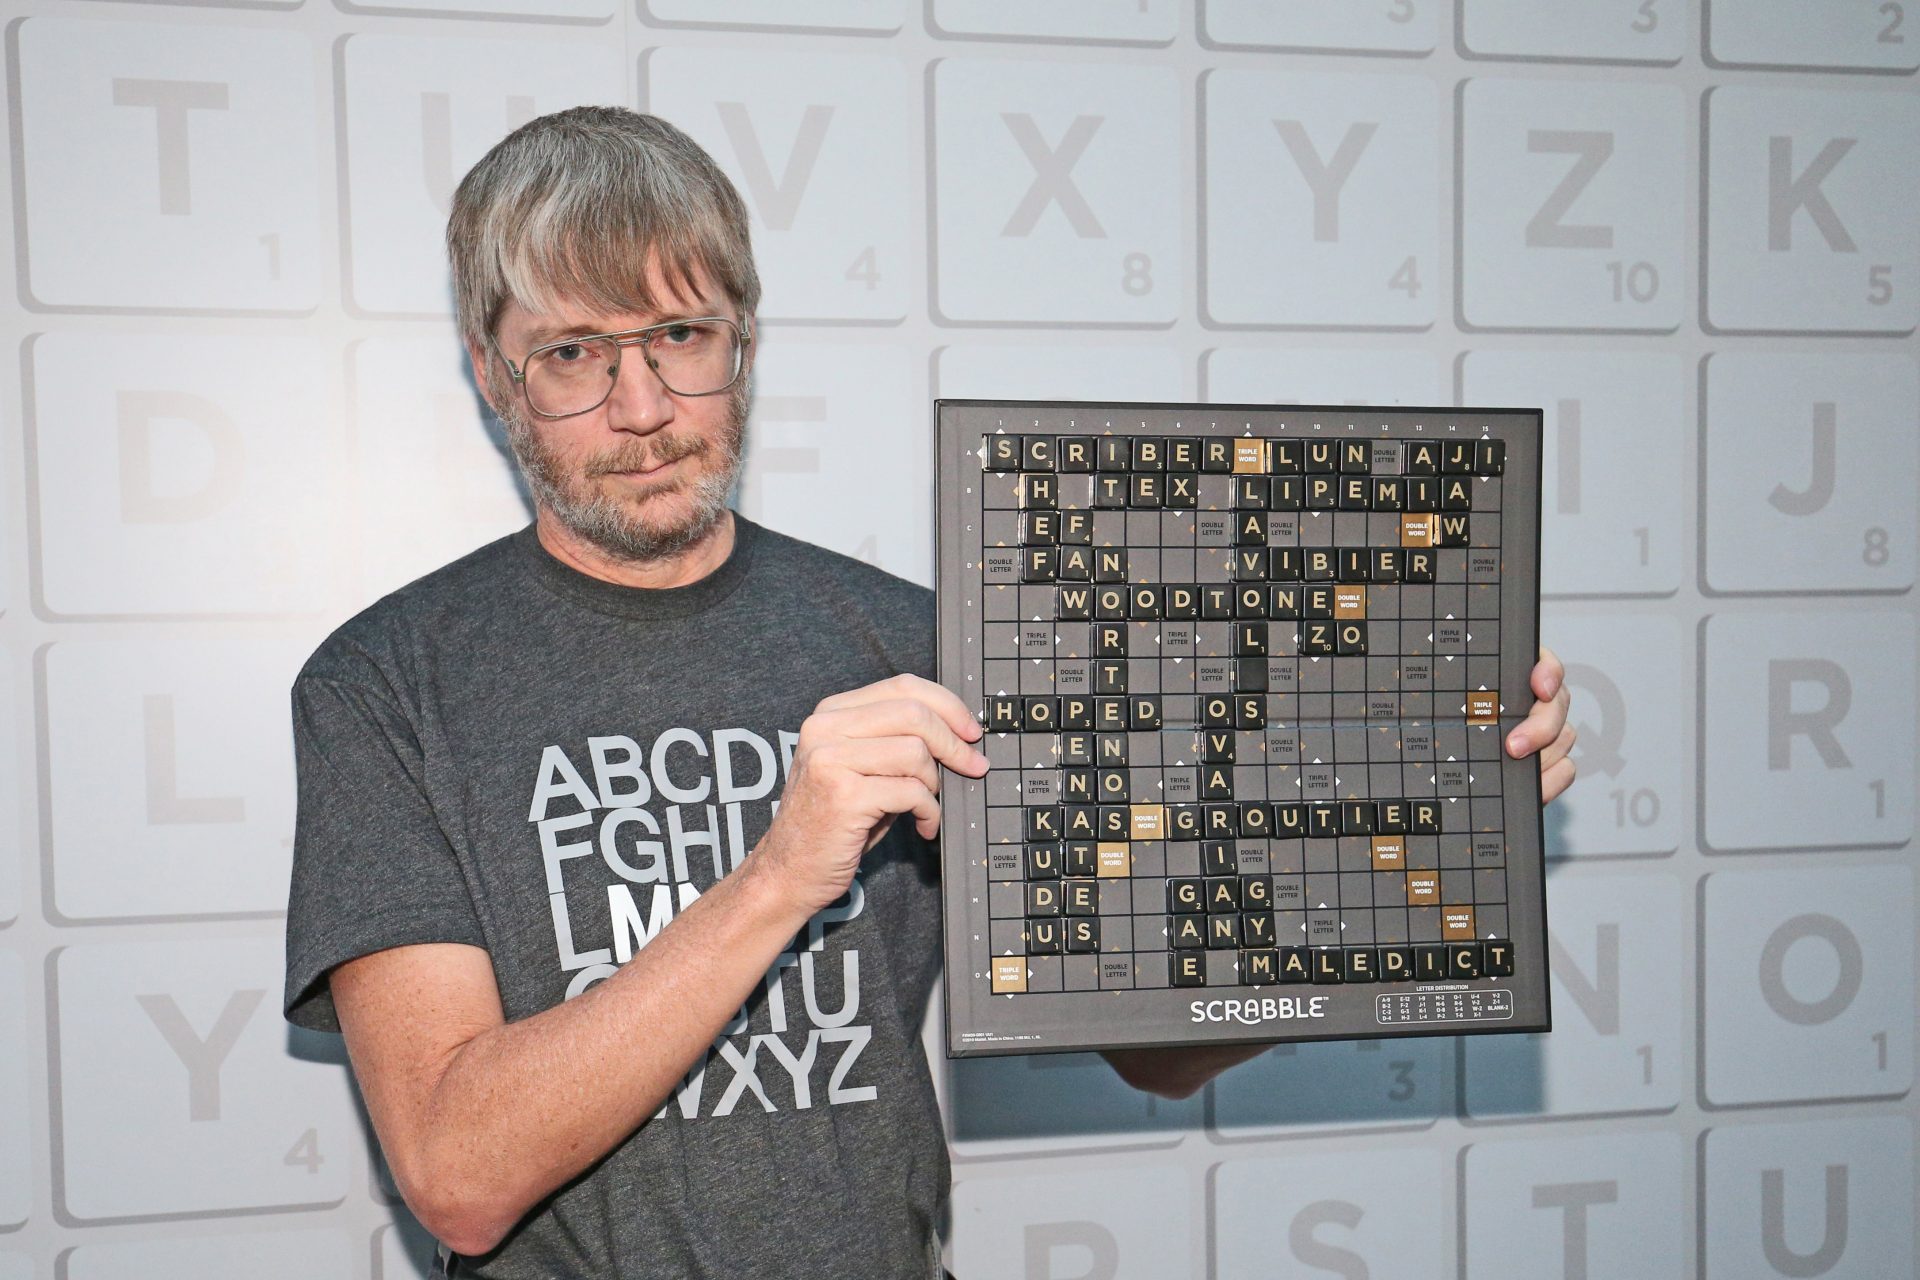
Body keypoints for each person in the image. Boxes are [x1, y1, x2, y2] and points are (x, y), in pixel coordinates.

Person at [282, 106, 1576, 1280]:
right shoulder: (386, 685)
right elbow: (455, 1178)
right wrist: (783, 869)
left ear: (746, 336)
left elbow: (1153, 1045)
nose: (644, 408)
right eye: (574, 353)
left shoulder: (921, 641)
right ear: (492, 370)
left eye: (683, 336)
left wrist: (1404, 832)